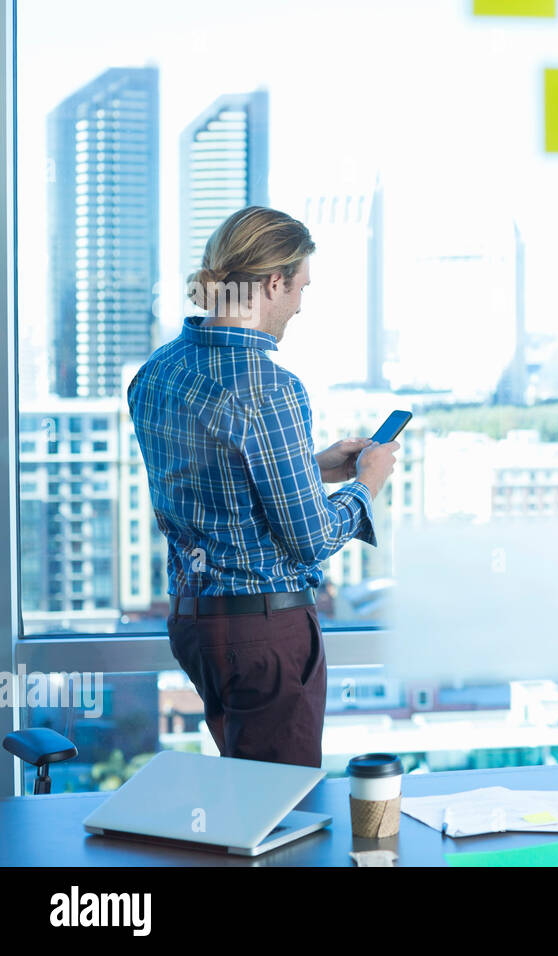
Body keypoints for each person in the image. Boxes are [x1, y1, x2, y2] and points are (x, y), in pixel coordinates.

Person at [126, 205, 398, 767]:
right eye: (300, 287)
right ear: (274, 283)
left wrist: (311, 465)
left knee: (244, 794)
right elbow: (310, 539)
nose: (299, 304)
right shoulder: (269, 386)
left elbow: (214, 481)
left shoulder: (159, 370)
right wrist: (366, 485)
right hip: (262, 631)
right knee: (281, 809)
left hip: (196, 623)